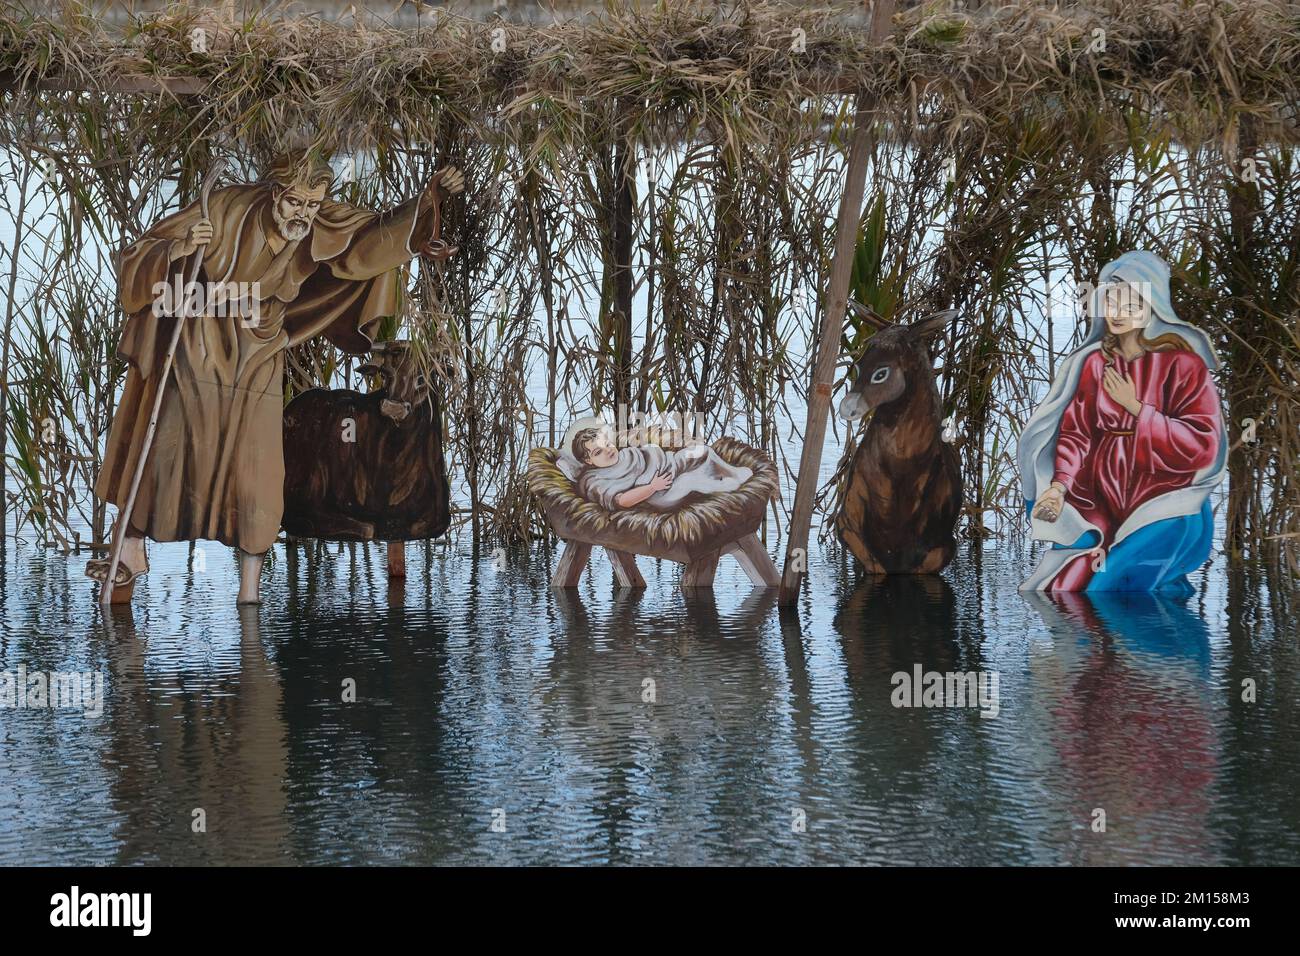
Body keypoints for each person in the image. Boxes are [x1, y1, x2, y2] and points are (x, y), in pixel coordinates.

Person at [86, 150, 464, 604]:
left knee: (257, 467)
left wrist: (427, 206)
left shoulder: (318, 219)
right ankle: (128, 556)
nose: (304, 214)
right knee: (167, 450)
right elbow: (136, 258)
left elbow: (372, 238)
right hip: (196, 346)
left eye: (312, 204)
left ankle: (250, 593)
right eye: (294, 204)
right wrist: (178, 249)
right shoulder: (223, 206)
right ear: (273, 193)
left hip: (261, 348)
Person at [1018, 250, 1227, 593]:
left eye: (1131, 305)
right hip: (1101, 493)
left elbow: (1203, 444)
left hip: (1159, 496)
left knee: (1108, 587)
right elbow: (1076, 432)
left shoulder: (1184, 365)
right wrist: (1058, 487)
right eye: (1113, 304)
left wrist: (1137, 409)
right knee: (1063, 589)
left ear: (1151, 308)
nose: (1119, 314)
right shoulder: (1095, 364)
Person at [570, 423, 751, 511]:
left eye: (607, 444)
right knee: (688, 480)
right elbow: (622, 501)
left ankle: (733, 472)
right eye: (597, 452)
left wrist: (655, 455)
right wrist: (651, 487)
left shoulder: (623, 454)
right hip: (657, 493)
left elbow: (642, 457)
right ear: (589, 462)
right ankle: (726, 487)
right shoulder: (596, 481)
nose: (608, 450)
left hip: (667, 465)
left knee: (700, 450)